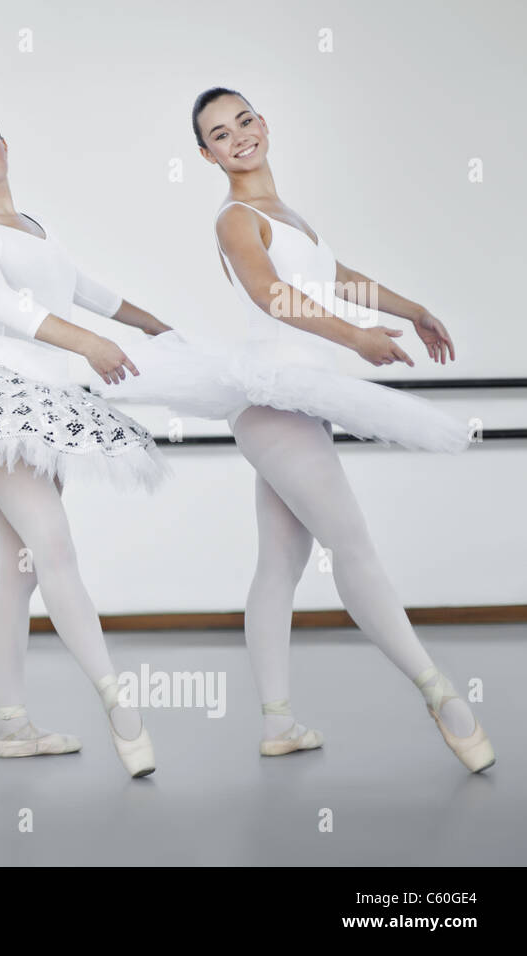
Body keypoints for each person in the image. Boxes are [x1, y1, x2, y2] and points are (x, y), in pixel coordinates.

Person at [108, 88, 490, 771]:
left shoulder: (288, 215)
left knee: (280, 564)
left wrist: (415, 308)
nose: (239, 137)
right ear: (207, 154)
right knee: (353, 546)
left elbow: (334, 277)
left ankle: (277, 723)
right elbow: (271, 295)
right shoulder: (235, 218)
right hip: (271, 398)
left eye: (245, 121)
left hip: (296, 401)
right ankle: (439, 693)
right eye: (220, 134)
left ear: (264, 123)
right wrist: (355, 339)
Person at [0, 106, 176, 777]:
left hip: (47, 408)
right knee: (56, 551)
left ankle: (12, 725)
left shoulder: (35, 227)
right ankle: (120, 708)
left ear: (4, 145)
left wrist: (157, 326)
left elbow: (84, 290)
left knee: (21, 570)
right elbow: (14, 310)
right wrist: (91, 343)